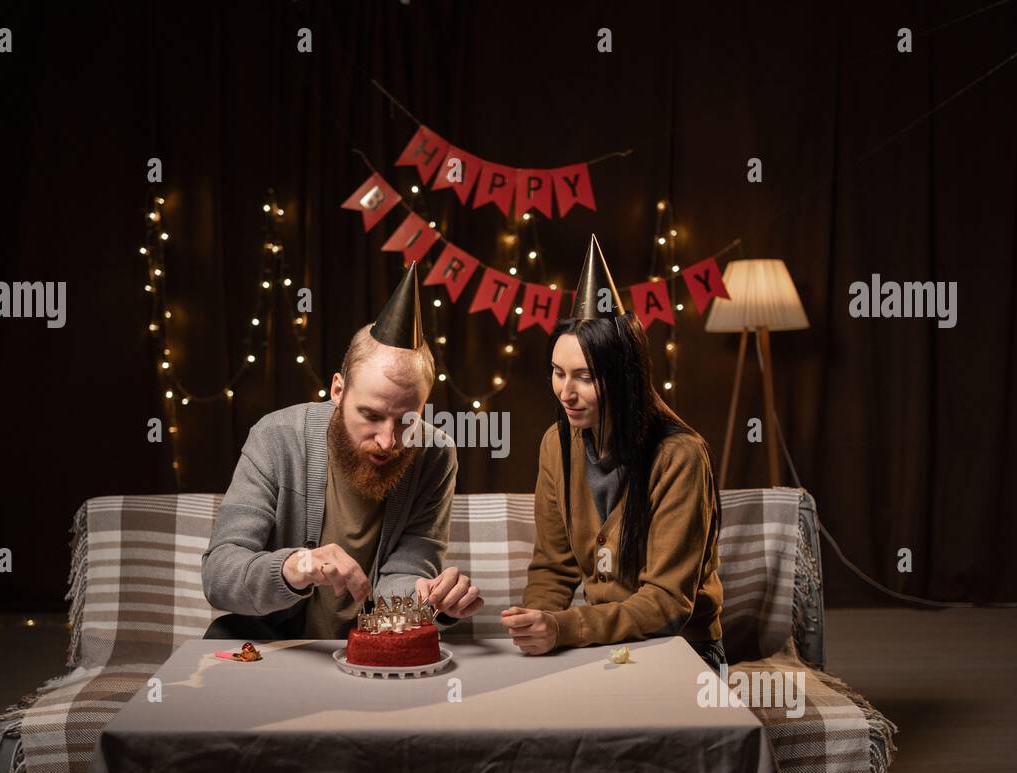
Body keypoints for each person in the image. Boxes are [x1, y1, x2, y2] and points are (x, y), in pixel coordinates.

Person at [201, 262, 483, 643]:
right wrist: (299, 564)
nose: (388, 440)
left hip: (372, 649)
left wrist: (429, 598)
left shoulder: (435, 455)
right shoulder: (275, 436)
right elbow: (219, 576)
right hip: (270, 647)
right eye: (370, 415)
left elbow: (404, 575)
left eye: (407, 420)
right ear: (338, 390)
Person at [500, 235, 727, 679]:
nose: (566, 392)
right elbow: (553, 565)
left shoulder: (680, 456)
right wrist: (535, 626)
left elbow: (666, 603)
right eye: (558, 372)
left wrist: (563, 628)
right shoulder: (556, 443)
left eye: (584, 377)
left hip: (683, 648)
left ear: (624, 378)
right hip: (601, 642)